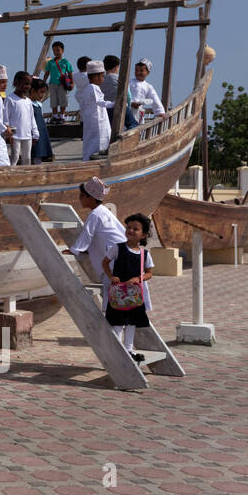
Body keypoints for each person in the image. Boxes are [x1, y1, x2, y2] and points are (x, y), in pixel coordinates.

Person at [100, 212, 155, 361]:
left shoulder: (144, 254)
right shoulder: (117, 248)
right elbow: (104, 262)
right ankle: (116, 352)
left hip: (134, 296)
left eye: (135, 229)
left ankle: (128, 350)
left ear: (143, 235)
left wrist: (139, 278)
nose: (130, 230)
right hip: (118, 295)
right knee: (117, 323)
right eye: (128, 227)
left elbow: (149, 272)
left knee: (131, 324)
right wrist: (111, 276)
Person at [68, 176, 127, 308]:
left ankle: (114, 325)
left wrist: (74, 250)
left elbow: (87, 234)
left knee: (114, 299)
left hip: (113, 262)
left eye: (82, 196)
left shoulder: (95, 215)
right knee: (122, 299)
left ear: (91, 198)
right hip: (120, 258)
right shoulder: (104, 212)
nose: (79, 199)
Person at [77, 60, 113, 160]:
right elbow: (101, 102)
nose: (103, 78)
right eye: (102, 76)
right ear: (96, 77)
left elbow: (82, 106)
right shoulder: (94, 87)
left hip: (90, 120)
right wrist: (114, 104)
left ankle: (87, 160)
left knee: (90, 141)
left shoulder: (87, 88)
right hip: (98, 120)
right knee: (99, 140)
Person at [7, 71, 38, 165]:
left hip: (27, 135)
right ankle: (11, 175)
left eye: (29, 84)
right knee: (15, 157)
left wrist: (35, 132)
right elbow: (5, 117)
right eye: (25, 84)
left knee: (27, 158)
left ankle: (26, 176)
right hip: (15, 135)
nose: (28, 86)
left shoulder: (28, 101)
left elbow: (32, 119)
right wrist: (9, 134)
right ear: (16, 83)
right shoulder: (10, 99)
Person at [127, 58, 167, 127]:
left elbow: (155, 99)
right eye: (137, 70)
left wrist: (160, 112)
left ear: (148, 72)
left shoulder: (148, 86)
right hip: (127, 110)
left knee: (137, 128)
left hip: (139, 112)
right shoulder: (129, 83)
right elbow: (124, 95)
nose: (138, 72)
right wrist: (131, 103)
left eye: (142, 70)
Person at [44, 42, 74, 116]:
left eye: (58, 50)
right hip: (52, 83)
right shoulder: (51, 62)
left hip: (62, 83)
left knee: (63, 99)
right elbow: (47, 73)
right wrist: (43, 82)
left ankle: (62, 116)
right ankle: (55, 116)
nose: (56, 52)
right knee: (53, 100)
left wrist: (72, 83)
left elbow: (70, 73)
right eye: (54, 50)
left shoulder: (65, 62)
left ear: (62, 50)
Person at [29, 77, 54, 163]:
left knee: (40, 152)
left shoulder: (38, 104)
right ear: (33, 91)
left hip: (41, 131)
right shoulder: (28, 104)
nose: (43, 95)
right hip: (33, 132)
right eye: (41, 92)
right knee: (34, 152)